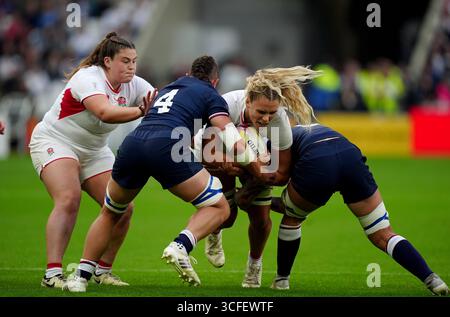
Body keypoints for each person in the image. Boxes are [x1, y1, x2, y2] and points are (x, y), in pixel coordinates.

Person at [64, 55, 266, 292]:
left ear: (189, 74)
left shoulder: (169, 87)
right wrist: (254, 167)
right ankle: (180, 246)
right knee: (219, 207)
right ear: (215, 81)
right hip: (167, 145)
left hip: (133, 144)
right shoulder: (211, 94)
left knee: (110, 212)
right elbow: (229, 134)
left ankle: (80, 277)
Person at [246, 122, 449, 295]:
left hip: (318, 161)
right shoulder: (308, 128)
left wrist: (254, 198)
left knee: (292, 217)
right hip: (349, 155)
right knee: (382, 233)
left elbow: (277, 183)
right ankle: (431, 278)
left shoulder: (273, 143)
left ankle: (282, 280)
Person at [29, 32, 155, 289]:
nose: (131, 66)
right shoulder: (88, 77)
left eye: (134, 61)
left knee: (123, 208)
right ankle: (52, 274)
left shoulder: (137, 85)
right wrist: (142, 111)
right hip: (55, 140)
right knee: (68, 198)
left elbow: (163, 106)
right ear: (107, 61)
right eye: (125, 61)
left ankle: (102, 271)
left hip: (95, 150)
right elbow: (104, 112)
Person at [196, 66, 321, 288]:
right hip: (220, 154)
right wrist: (231, 163)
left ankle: (254, 266)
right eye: (261, 112)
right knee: (228, 216)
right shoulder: (226, 105)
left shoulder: (279, 121)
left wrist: (250, 185)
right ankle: (215, 231)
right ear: (248, 102)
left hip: (258, 161)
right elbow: (207, 153)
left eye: (271, 113)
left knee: (261, 220)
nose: (266, 119)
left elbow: (281, 174)